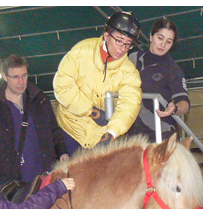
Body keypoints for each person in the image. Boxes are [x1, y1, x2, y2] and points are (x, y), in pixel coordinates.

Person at [0, 54, 70, 191]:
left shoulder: (41, 99)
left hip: (44, 176)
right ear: (5, 77)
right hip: (11, 183)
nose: (21, 82)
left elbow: (54, 129)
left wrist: (62, 152)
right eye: (15, 77)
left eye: (24, 75)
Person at [53, 11, 143, 154]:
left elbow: (130, 105)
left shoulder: (129, 72)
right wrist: (92, 111)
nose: (123, 49)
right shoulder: (81, 52)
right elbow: (62, 86)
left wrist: (111, 133)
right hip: (70, 130)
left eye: (128, 44)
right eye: (119, 41)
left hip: (99, 137)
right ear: (107, 36)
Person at [126, 18, 190, 142]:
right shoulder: (132, 59)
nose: (163, 44)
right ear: (151, 36)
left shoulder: (173, 70)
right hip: (131, 134)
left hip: (161, 135)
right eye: (160, 38)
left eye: (169, 41)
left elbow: (184, 103)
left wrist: (175, 108)